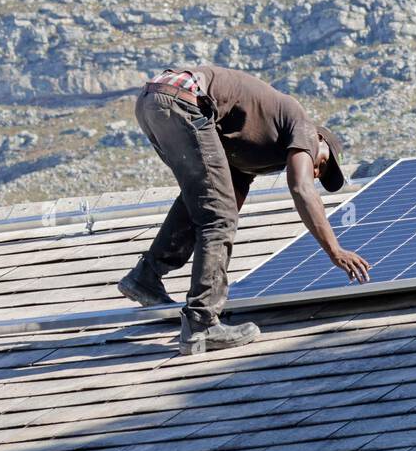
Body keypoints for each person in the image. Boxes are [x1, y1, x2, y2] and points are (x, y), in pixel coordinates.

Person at [118, 65, 371, 355]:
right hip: (184, 99)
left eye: (320, 176)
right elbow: (301, 188)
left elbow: (219, 203)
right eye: (323, 165)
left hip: (156, 100)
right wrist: (334, 250)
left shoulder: (249, 153)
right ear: (320, 141)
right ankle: (202, 323)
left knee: (208, 206)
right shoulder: (304, 127)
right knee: (218, 216)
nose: (316, 172)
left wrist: (217, 221)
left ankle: (145, 277)